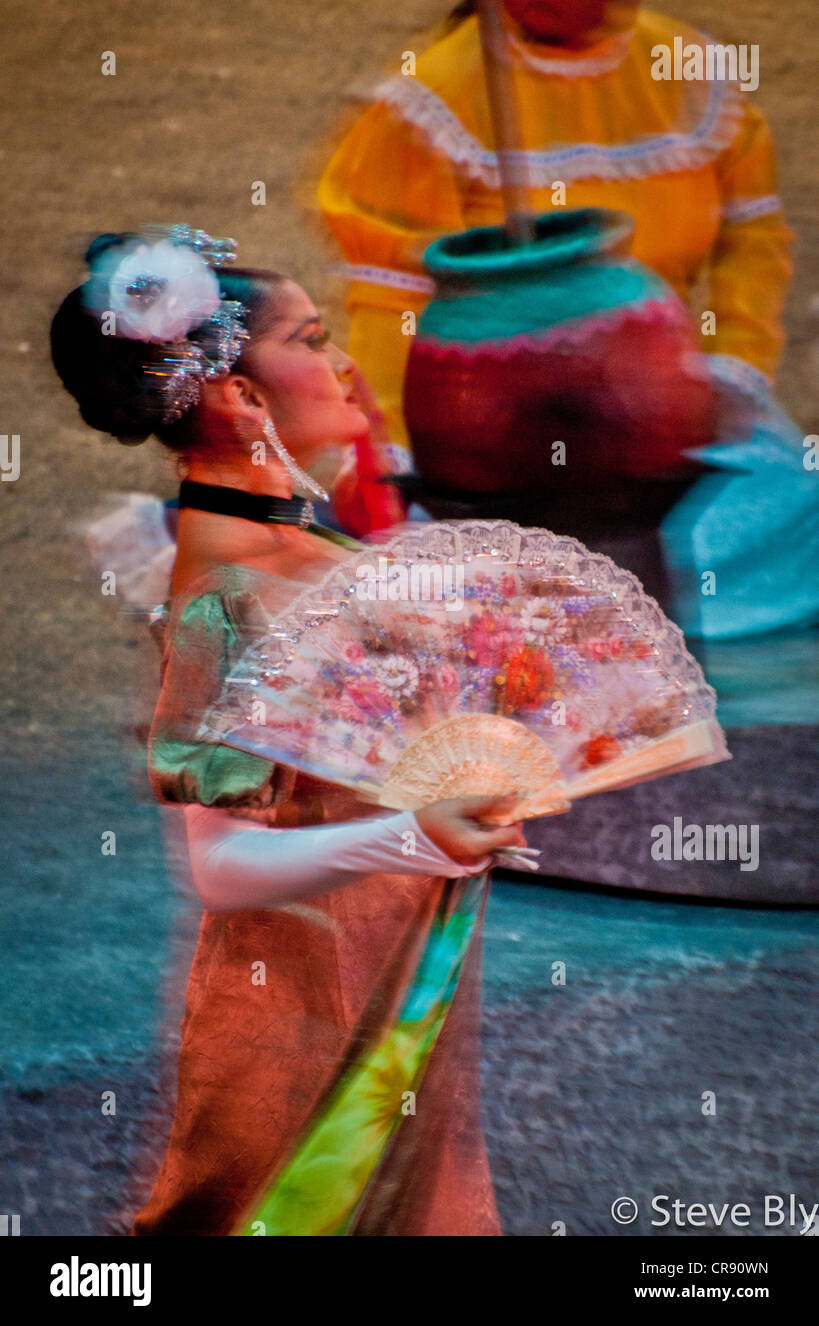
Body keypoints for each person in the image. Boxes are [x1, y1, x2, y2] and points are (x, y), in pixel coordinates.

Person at [51, 226, 526, 1235]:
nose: (345, 362)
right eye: (313, 339)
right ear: (236, 397)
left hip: (390, 955)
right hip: (306, 1006)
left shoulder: (282, 531)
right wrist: (417, 835)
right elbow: (221, 865)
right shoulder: (227, 589)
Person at [317, 0, 819, 639]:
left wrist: (734, 364)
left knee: (789, 512)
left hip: (668, 405)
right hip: (493, 437)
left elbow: (751, 235)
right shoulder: (429, 104)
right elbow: (389, 297)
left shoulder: (687, 71)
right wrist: (394, 457)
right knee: (497, 589)